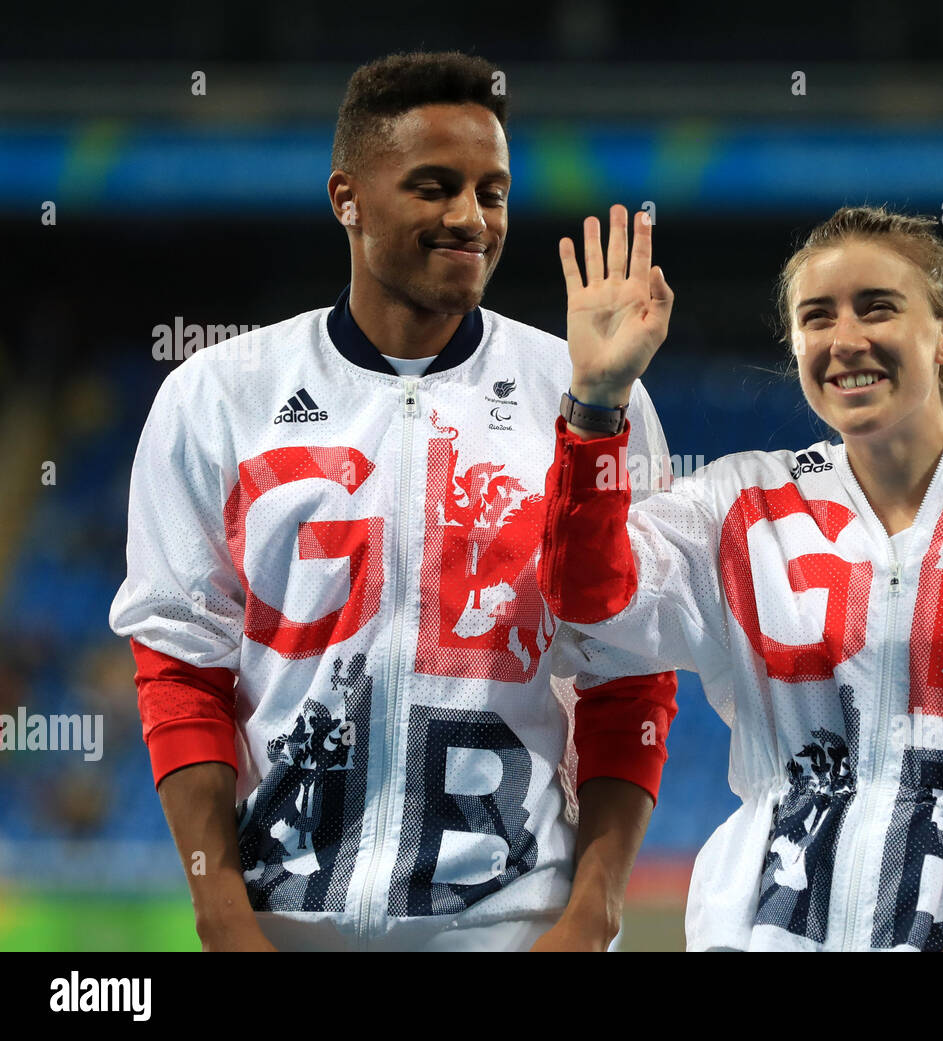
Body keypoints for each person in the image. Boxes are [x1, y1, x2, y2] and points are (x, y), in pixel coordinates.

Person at [108, 52, 678, 952]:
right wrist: (220, 909)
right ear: (348, 198)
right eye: (434, 186)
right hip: (282, 922)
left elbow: (631, 676)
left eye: (492, 191)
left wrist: (593, 910)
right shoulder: (219, 395)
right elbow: (182, 666)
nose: (471, 218)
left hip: (509, 924)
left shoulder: (586, 396)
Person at [538, 203, 943, 951]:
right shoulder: (738, 504)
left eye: (877, 309)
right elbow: (587, 605)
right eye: (817, 316)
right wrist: (598, 406)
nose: (846, 339)